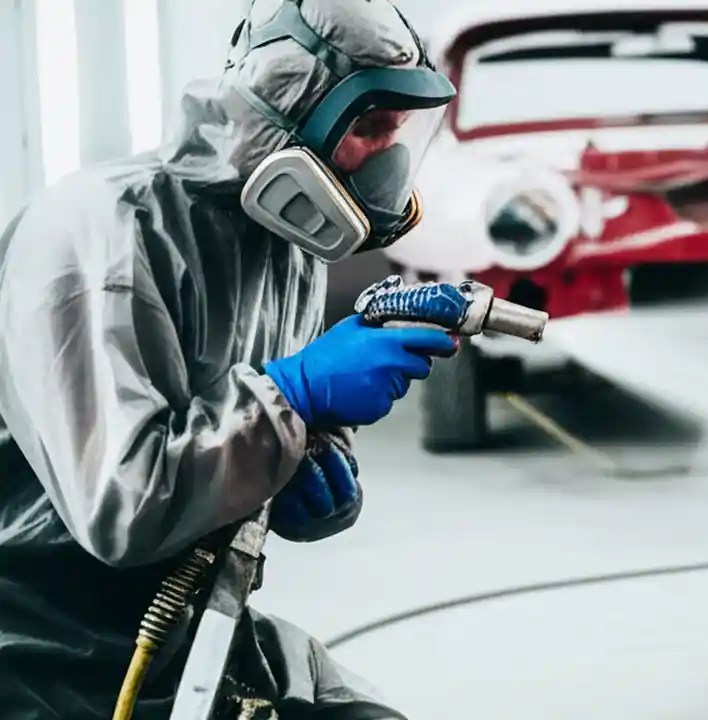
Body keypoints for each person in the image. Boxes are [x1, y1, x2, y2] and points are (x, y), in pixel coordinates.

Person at [0, 0, 457, 716]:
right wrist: (291, 397)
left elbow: (253, 423)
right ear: (291, 113)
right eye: (370, 130)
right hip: (43, 644)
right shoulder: (103, 235)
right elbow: (124, 507)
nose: (390, 161)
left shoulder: (289, 246)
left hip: (188, 618)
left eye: (398, 134)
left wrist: (308, 458)